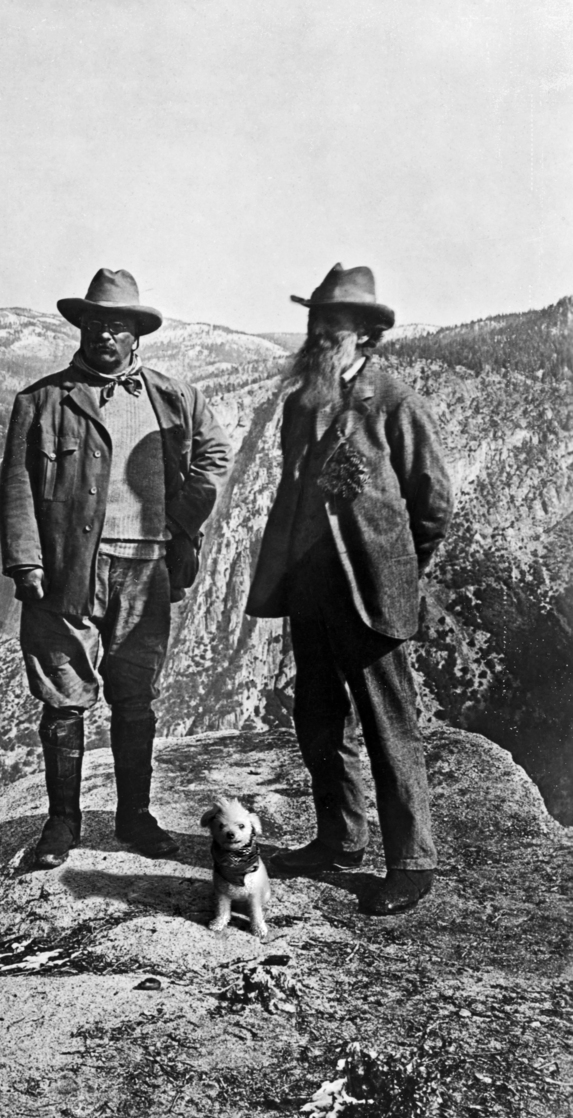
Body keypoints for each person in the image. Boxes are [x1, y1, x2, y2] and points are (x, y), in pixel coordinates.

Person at [0, 268, 232, 869]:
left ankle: (134, 818)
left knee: (135, 698)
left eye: (118, 327)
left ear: (137, 336)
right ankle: (62, 823)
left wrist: (181, 519)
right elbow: (18, 486)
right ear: (82, 329)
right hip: (67, 571)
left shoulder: (174, 398)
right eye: (96, 324)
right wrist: (26, 561)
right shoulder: (43, 401)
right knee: (63, 696)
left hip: (147, 569)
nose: (106, 335)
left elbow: (215, 457)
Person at [246, 264, 454, 915]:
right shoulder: (299, 403)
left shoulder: (393, 403)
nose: (316, 335)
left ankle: (411, 863)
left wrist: (394, 566)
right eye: (314, 321)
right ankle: (337, 840)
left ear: (362, 334)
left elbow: (434, 504)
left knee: (387, 725)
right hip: (308, 587)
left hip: (371, 594)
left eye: (329, 325)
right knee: (316, 718)